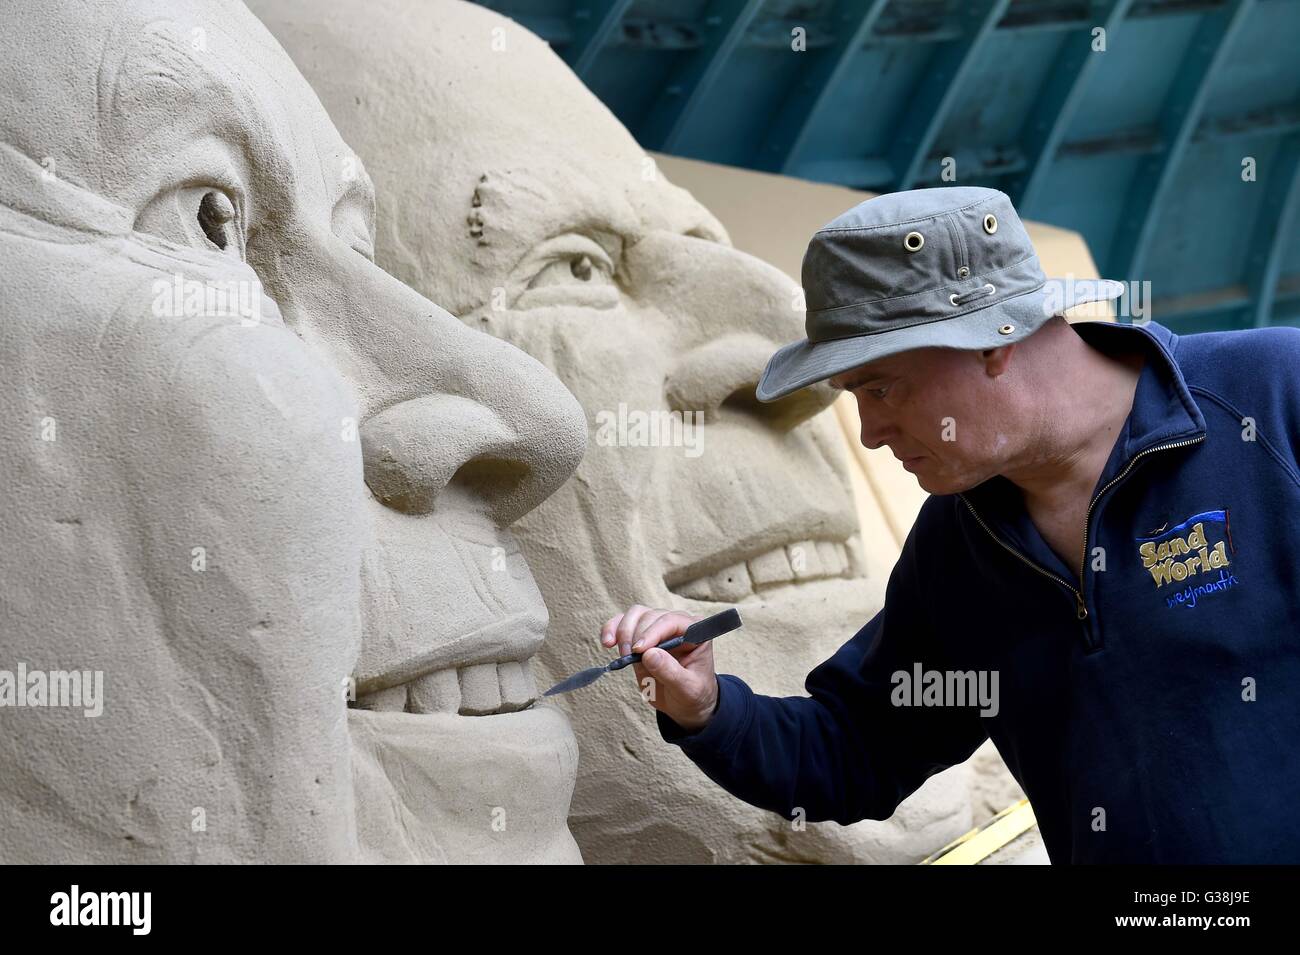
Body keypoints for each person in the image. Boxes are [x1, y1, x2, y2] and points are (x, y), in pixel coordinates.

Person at [602, 186, 1300, 864]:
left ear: (993, 341)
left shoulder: (1272, 398)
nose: (869, 432)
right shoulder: (958, 551)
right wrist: (709, 706)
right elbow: (855, 748)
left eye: (880, 386)